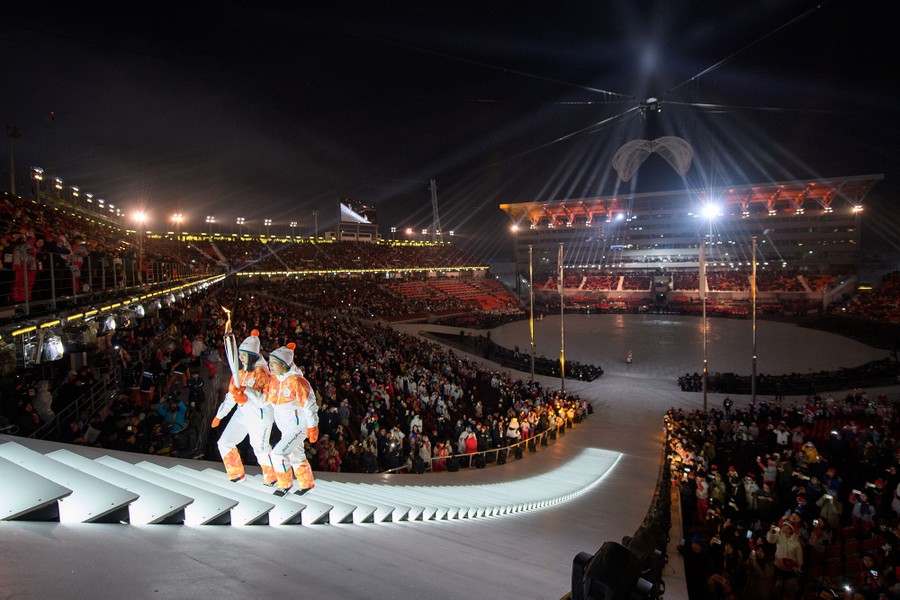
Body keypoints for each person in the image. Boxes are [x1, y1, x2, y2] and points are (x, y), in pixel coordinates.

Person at [211, 329, 276, 484]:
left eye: (244, 354)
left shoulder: (263, 373)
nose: (240, 357)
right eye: (240, 354)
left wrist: (247, 393)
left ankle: (273, 477)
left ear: (253, 356)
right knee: (224, 442)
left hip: (260, 415)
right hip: (242, 414)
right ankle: (236, 474)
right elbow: (230, 397)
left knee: (260, 449)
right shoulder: (239, 373)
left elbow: (265, 400)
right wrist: (220, 415)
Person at [266, 343, 319, 496]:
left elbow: (310, 405)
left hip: (298, 426)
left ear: (283, 364)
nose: (270, 366)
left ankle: (285, 484)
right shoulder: (275, 380)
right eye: (270, 363)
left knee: (278, 453)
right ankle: (306, 484)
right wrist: (246, 395)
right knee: (297, 456)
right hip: (285, 427)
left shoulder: (298, 381)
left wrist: (313, 426)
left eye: (274, 363)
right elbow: (268, 401)